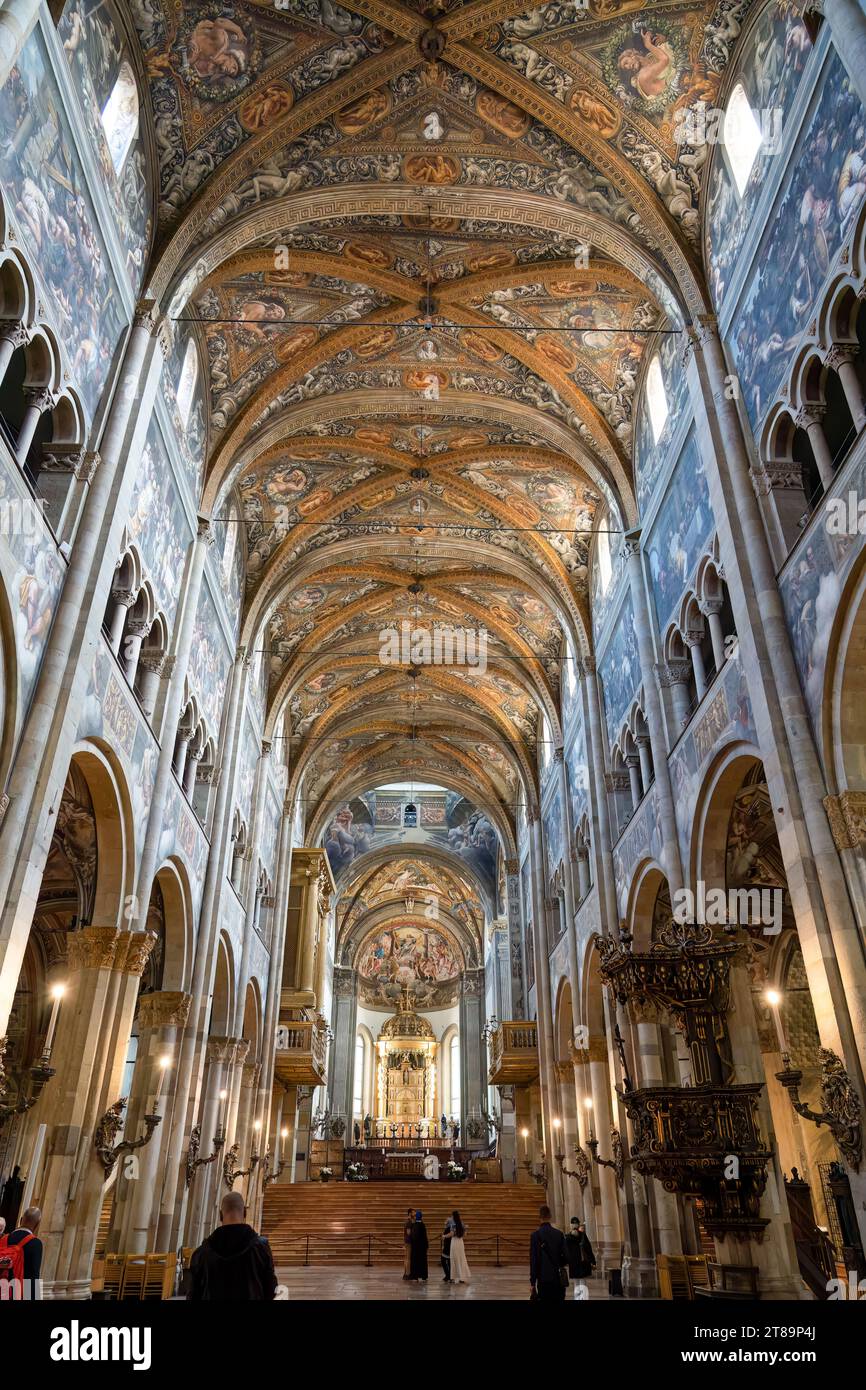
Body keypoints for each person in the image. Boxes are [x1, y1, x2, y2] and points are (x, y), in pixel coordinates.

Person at [188, 1191, 277, 1300]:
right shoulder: (261, 1248)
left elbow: (193, 1295)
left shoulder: (201, 1253)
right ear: (245, 1213)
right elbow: (271, 1290)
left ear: (220, 1215)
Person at [2, 1205, 43, 1299]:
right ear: (37, 1225)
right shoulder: (35, 1243)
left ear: (21, 1220)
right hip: (16, 1293)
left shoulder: (4, 1239)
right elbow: (32, 1276)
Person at [530, 1205, 569, 1302]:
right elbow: (567, 1256)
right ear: (550, 1216)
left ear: (540, 1217)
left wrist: (532, 1282)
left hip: (543, 1279)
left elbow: (534, 1260)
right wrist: (559, 1264)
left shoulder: (535, 1236)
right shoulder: (559, 1234)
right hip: (557, 1278)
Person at [449, 1210, 471, 1284]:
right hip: (460, 1242)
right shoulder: (462, 1223)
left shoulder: (452, 1224)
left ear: (453, 1216)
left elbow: (452, 1234)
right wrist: (466, 1229)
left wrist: (445, 1236)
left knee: (453, 1259)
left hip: (454, 1242)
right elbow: (465, 1234)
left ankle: (453, 1278)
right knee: (461, 1259)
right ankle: (462, 1277)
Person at [408, 1210, 428, 1282]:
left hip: (416, 1247)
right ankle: (423, 1276)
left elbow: (413, 1236)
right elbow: (425, 1237)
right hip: (422, 1247)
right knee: (422, 1261)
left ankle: (415, 1276)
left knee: (415, 1261)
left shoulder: (415, 1225)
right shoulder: (422, 1225)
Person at [441, 1215, 453, 1282]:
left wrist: (444, 1236)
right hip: (448, 1246)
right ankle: (449, 1276)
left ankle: (448, 1275)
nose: (445, 1220)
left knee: (443, 1260)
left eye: (447, 1220)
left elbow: (447, 1236)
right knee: (448, 1261)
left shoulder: (449, 1228)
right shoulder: (448, 1227)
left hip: (448, 1246)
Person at [402, 1207, 414, 1280]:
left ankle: (405, 1273)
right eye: (413, 1212)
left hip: (406, 1241)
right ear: (410, 1213)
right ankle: (407, 1274)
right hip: (409, 1242)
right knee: (408, 1258)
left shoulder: (407, 1221)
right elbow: (408, 1232)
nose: (414, 1213)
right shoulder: (409, 1222)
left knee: (406, 1258)